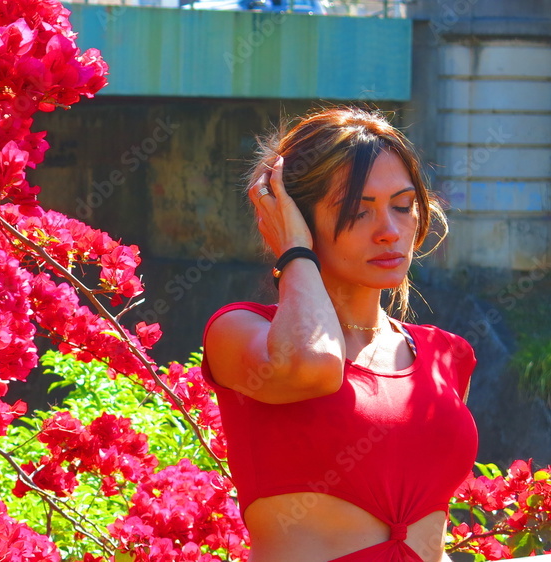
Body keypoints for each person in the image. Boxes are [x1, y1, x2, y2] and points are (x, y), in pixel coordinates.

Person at [201, 106, 478, 562]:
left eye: (403, 206)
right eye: (358, 211)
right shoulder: (239, 330)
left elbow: (431, 538)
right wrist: (293, 251)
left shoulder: (446, 355)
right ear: (297, 220)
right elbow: (310, 367)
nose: (391, 232)